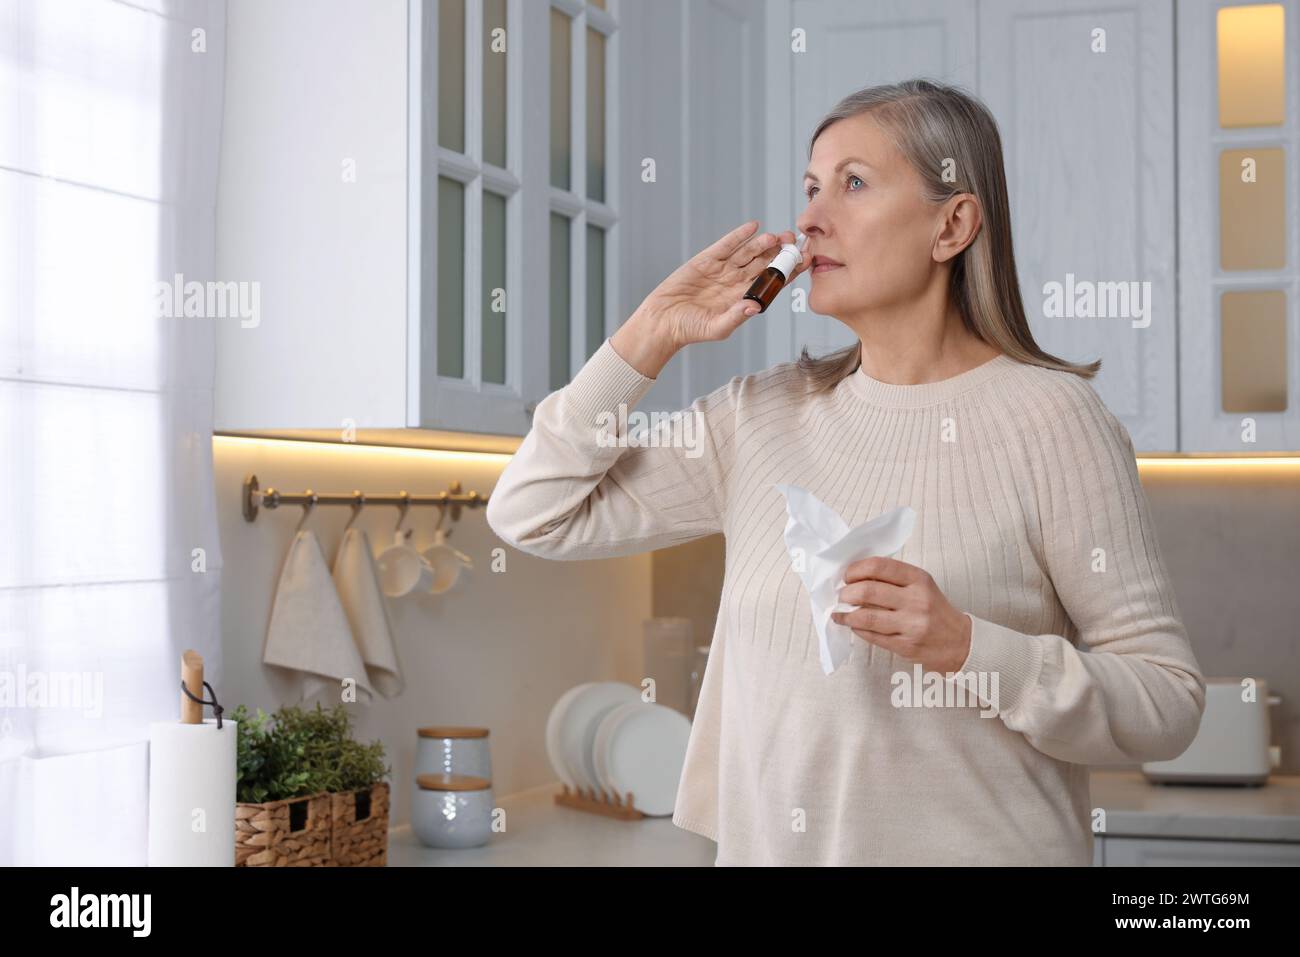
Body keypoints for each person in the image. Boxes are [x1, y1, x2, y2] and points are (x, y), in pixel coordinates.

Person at [485, 78, 1205, 866]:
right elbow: (533, 513)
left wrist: (967, 646)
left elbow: (1166, 702)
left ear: (952, 223)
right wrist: (647, 338)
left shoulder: (1055, 420)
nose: (810, 217)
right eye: (810, 187)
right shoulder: (757, 419)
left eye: (853, 183)